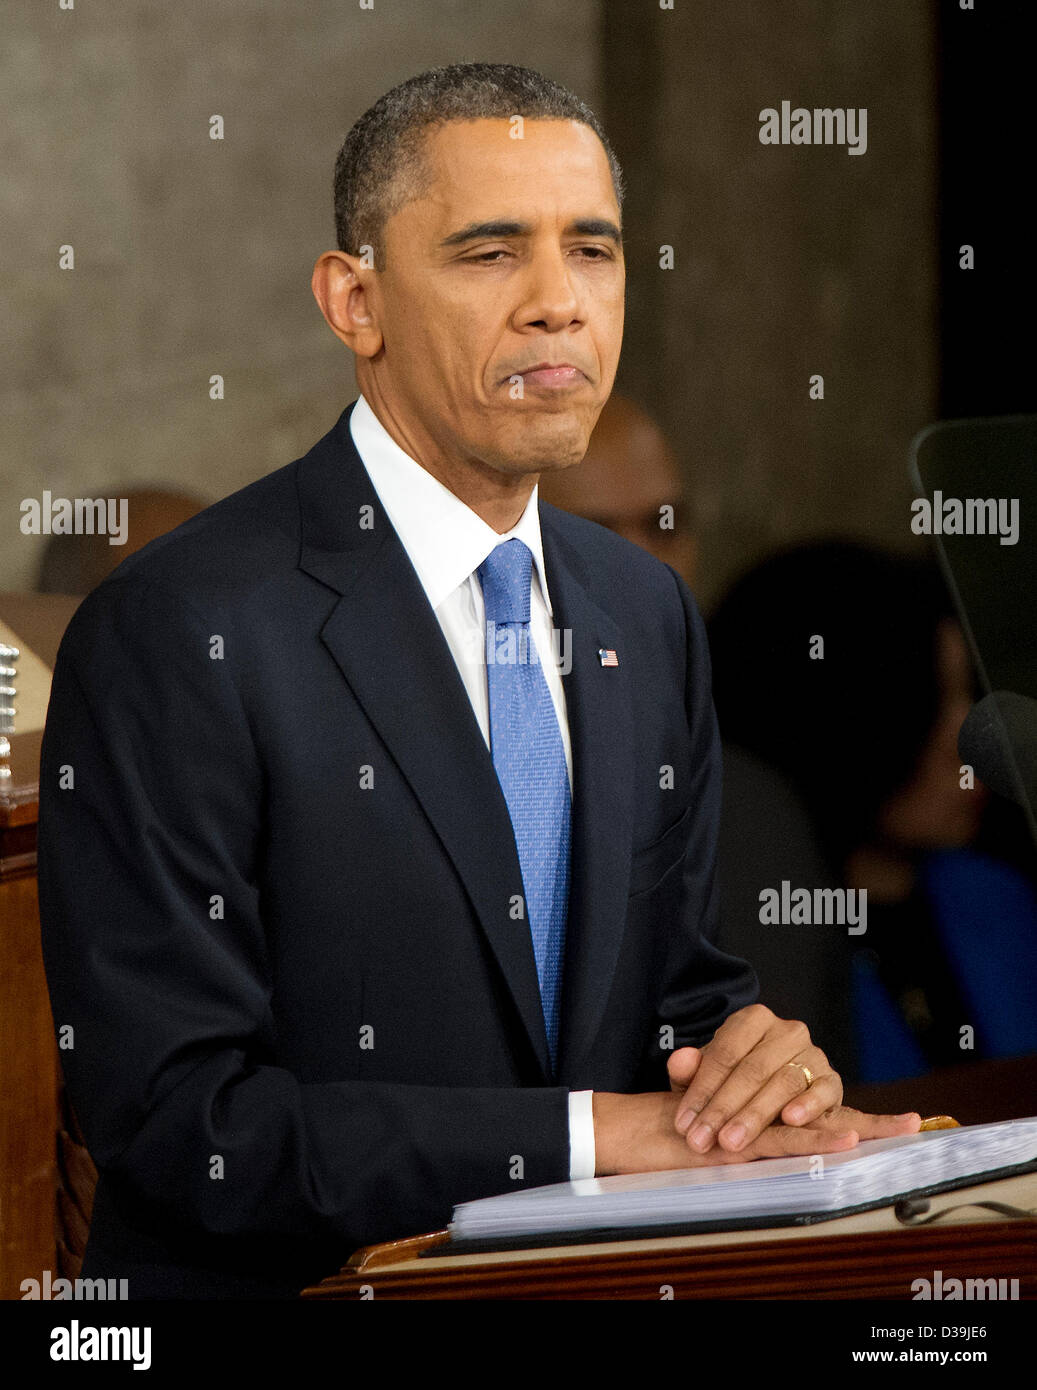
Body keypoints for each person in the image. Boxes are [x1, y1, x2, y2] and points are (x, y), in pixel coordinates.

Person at [37, 64, 918, 1300]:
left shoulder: (640, 607)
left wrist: (745, 1074)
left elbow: (678, 997)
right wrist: (593, 1139)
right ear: (355, 301)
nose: (559, 304)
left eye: (594, 251)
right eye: (490, 252)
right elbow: (187, 1122)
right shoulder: (179, 626)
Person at [707, 540, 1037, 1082]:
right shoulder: (764, 939)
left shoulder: (998, 900)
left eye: (969, 695)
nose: (972, 739)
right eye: (932, 701)